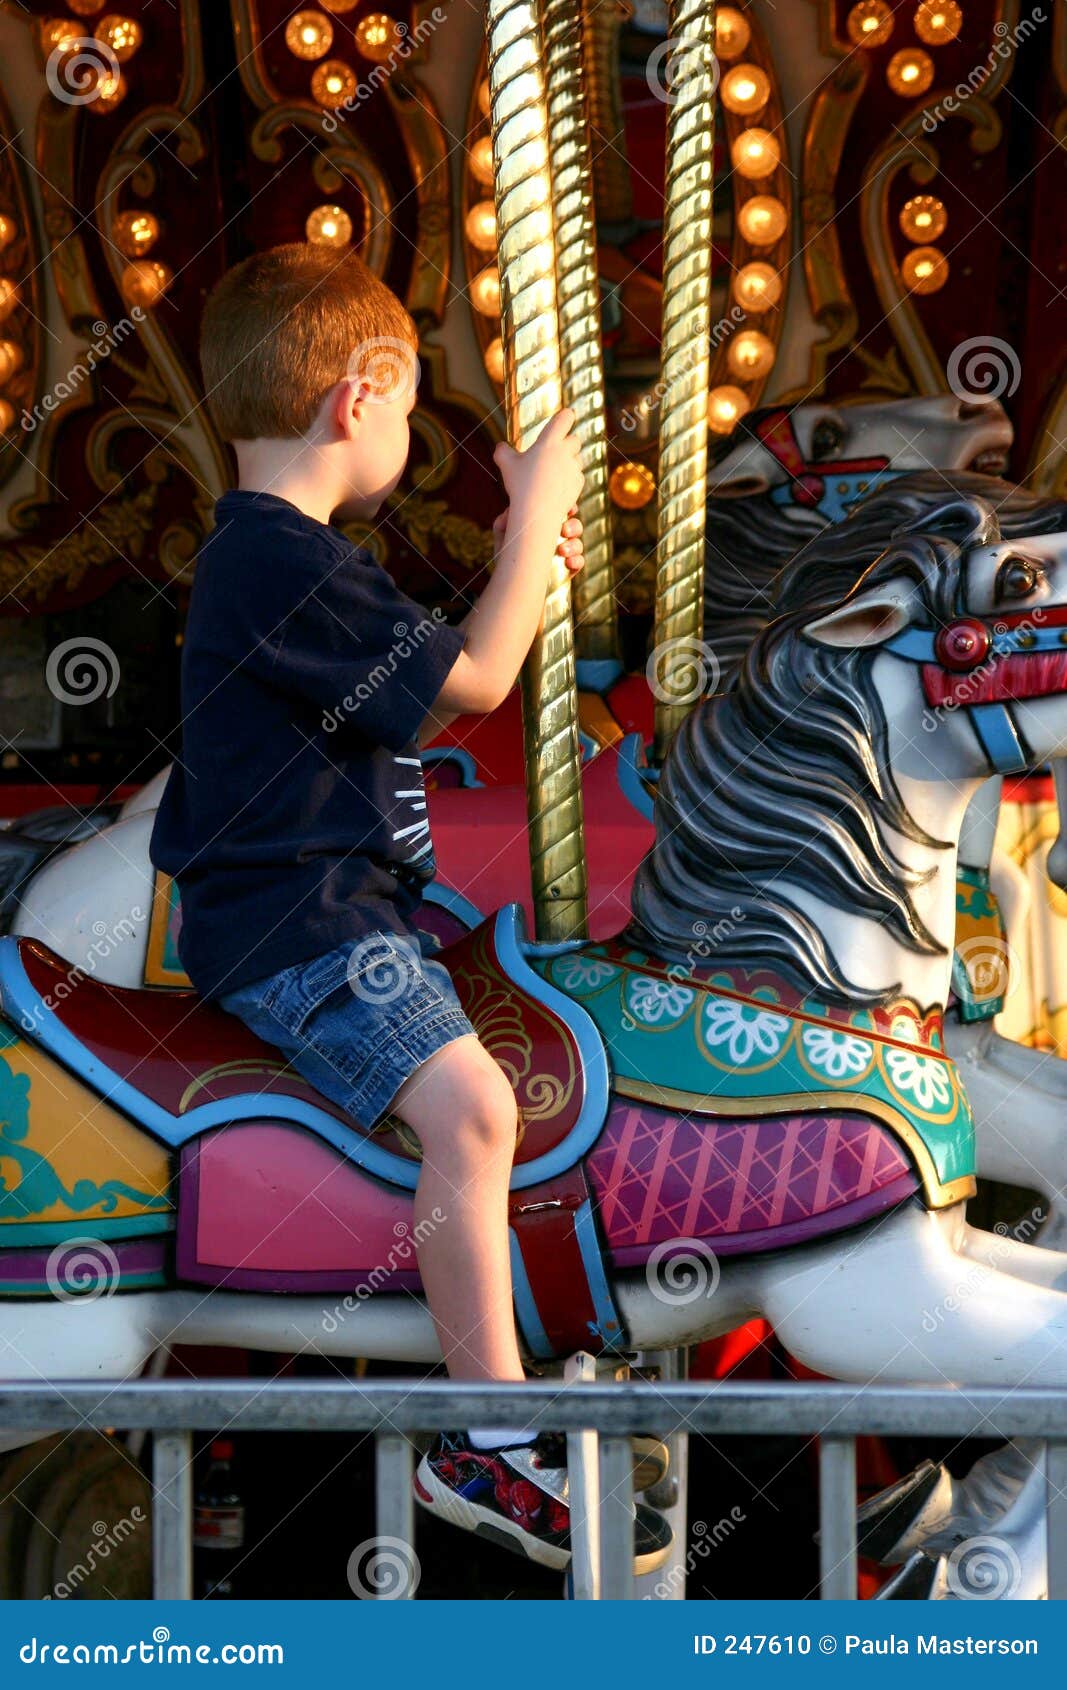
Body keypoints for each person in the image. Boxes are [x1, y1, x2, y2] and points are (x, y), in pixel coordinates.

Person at [150, 243, 667, 1575]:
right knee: (477, 1105)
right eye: (404, 399)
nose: (402, 427)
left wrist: (521, 558)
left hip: (336, 907)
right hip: (301, 923)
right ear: (357, 393)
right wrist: (540, 507)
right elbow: (485, 678)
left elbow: (445, 675)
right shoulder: (279, 558)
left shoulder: (280, 557)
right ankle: (482, 1428)